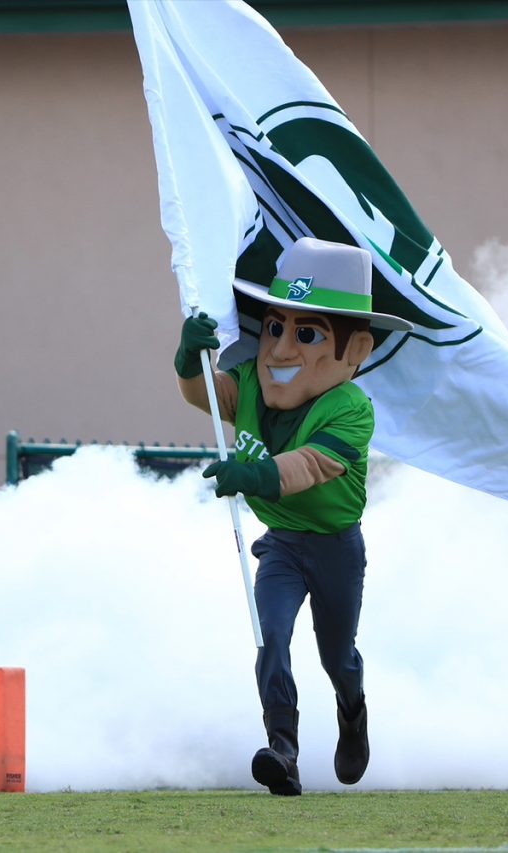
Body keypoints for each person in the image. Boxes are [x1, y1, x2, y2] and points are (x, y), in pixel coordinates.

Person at [175, 238, 411, 796]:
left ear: (355, 348)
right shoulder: (254, 383)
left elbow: (310, 466)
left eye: (306, 334)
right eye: (275, 328)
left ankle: (352, 712)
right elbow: (205, 394)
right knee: (271, 635)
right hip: (281, 543)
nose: (280, 349)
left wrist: (254, 476)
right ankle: (283, 746)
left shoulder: (351, 408)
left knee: (337, 654)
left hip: (334, 547)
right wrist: (188, 358)